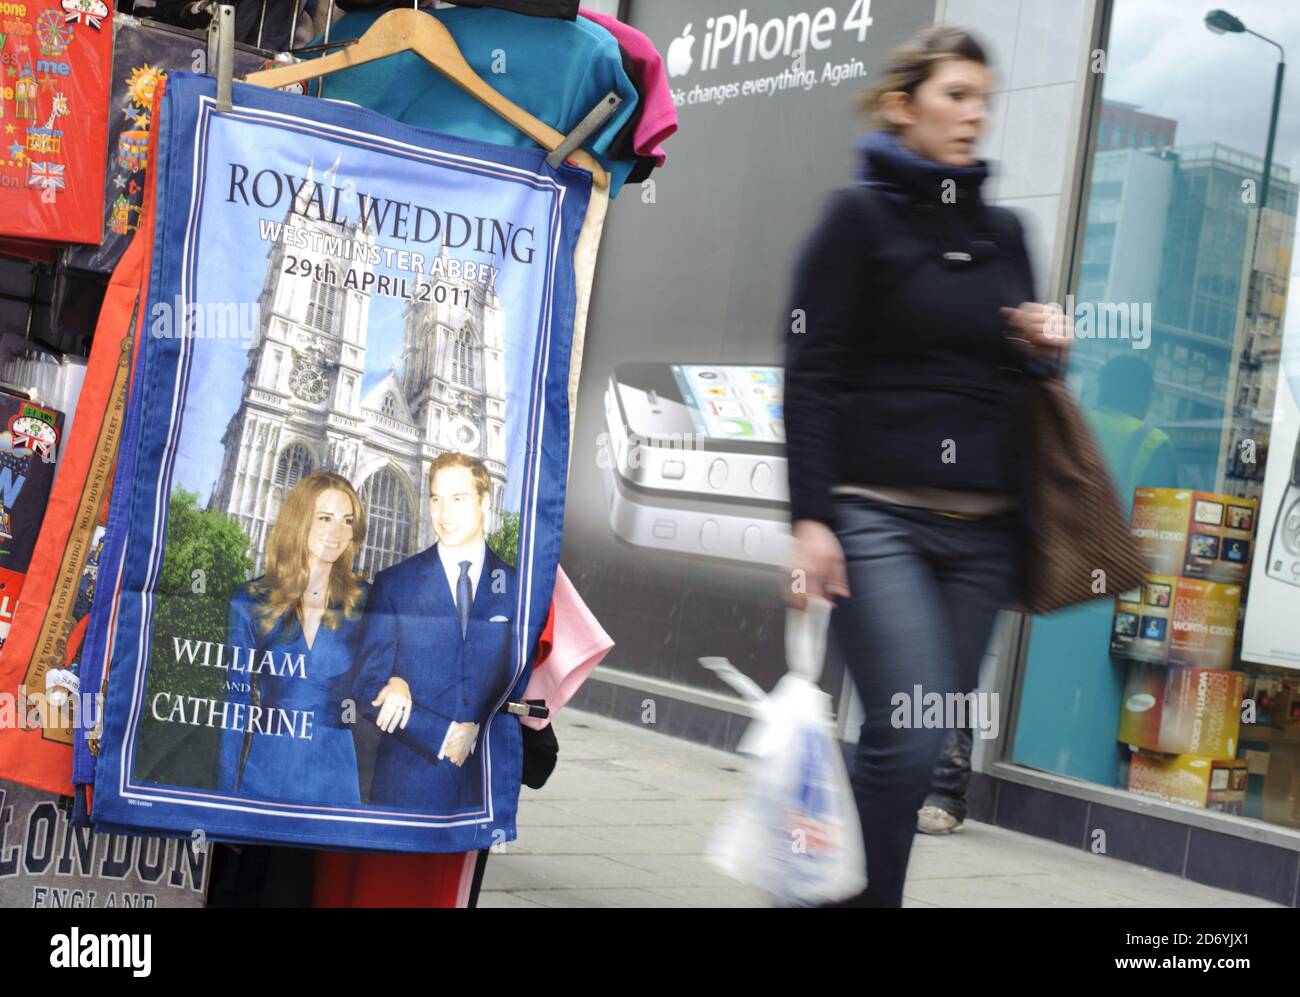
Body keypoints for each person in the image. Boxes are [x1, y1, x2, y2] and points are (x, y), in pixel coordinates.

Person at [783, 25, 1071, 907]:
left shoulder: (1005, 231)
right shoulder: (856, 218)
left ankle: (843, 894)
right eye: (955, 95)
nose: (974, 115)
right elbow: (812, 370)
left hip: (983, 535)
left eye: (983, 98)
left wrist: (1045, 345)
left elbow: (1029, 378)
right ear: (903, 105)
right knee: (909, 738)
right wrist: (811, 517)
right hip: (879, 516)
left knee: (911, 741)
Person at [354, 451, 518, 811]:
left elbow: (522, 689)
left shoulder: (517, 588)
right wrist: (442, 734)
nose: (445, 515)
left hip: (482, 792)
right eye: (436, 500)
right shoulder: (394, 584)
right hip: (406, 792)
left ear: (484, 502)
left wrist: (481, 730)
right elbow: (366, 686)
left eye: (458, 499)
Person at [217, 472, 371, 805]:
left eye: (347, 521)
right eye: (325, 518)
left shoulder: (368, 603)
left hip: (337, 780)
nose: (337, 532)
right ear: (300, 521)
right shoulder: (250, 600)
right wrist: (223, 801)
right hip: (266, 774)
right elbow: (236, 703)